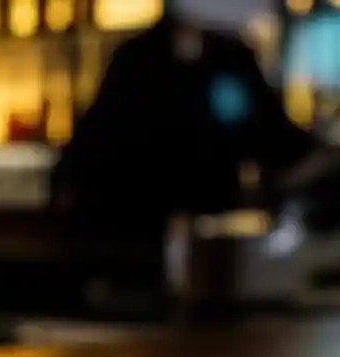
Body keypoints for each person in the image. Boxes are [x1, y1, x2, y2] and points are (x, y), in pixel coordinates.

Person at [53, 1, 322, 247]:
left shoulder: (232, 59)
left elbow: (272, 136)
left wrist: (321, 159)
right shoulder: (137, 60)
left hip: (210, 239)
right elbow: (93, 146)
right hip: (137, 238)